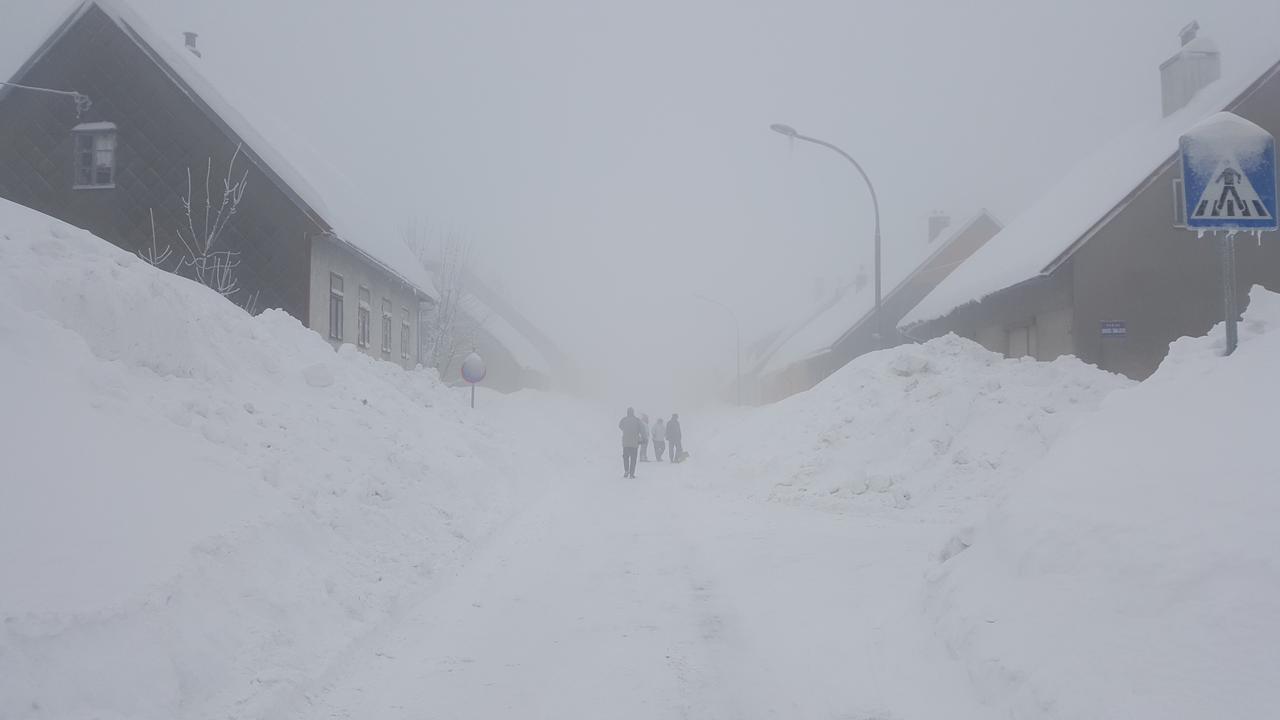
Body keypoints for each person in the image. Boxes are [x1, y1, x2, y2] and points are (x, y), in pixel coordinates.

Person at [618, 407, 643, 478]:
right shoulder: (637, 420)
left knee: (625, 457)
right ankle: (631, 474)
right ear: (633, 412)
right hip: (634, 443)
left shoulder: (624, 420)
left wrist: (626, 430)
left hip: (626, 442)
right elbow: (641, 430)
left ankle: (626, 470)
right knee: (633, 459)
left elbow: (620, 426)